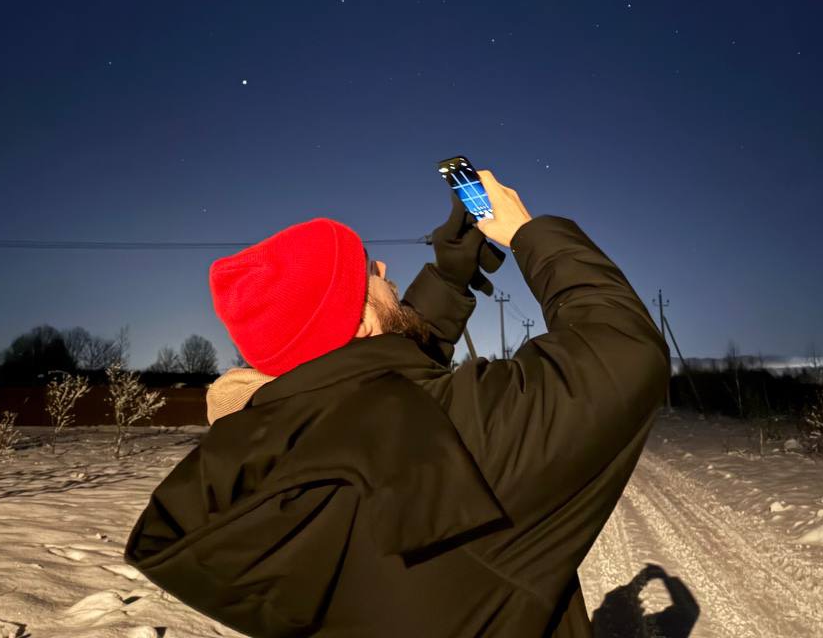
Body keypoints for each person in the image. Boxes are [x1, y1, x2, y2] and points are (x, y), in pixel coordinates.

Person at [124, 169, 670, 636]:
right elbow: (622, 347)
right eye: (367, 273)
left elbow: (368, 385)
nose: (384, 269)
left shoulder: (270, 452)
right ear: (361, 320)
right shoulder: (447, 441)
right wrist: (529, 232)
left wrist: (448, 279)